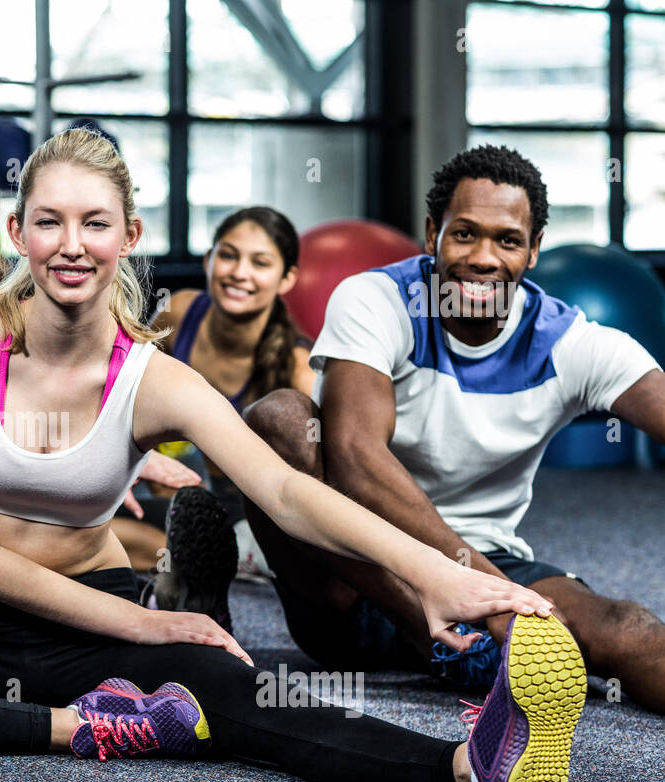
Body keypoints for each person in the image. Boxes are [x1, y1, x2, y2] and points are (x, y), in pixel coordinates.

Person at [0, 129, 586, 782]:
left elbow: (287, 492)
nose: (72, 246)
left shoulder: (152, 379)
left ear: (129, 236)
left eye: (95, 224)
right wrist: (150, 621)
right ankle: (83, 727)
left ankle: (466, 771)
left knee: (256, 701)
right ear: (16, 234)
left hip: (99, 632)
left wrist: (444, 575)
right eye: (50, 222)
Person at [243, 143, 665, 712]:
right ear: (431, 233)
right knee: (279, 422)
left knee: (629, 628)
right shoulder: (379, 300)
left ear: (534, 251)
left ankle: (477, 649)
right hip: (355, 582)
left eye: (508, 240)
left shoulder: (570, 342)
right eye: (464, 234)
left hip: (492, 557)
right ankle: (435, 639)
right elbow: (353, 459)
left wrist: (494, 590)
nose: (484, 257)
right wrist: (487, 598)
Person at [112, 206, 315, 622]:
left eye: (260, 263)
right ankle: (179, 569)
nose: (239, 272)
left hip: (248, 512)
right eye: (228, 255)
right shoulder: (181, 311)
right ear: (208, 261)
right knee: (76, 523)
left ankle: (193, 569)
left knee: (203, 539)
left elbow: (307, 482)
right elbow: (131, 393)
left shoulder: (298, 365)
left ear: (287, 278)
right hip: (168, 492)